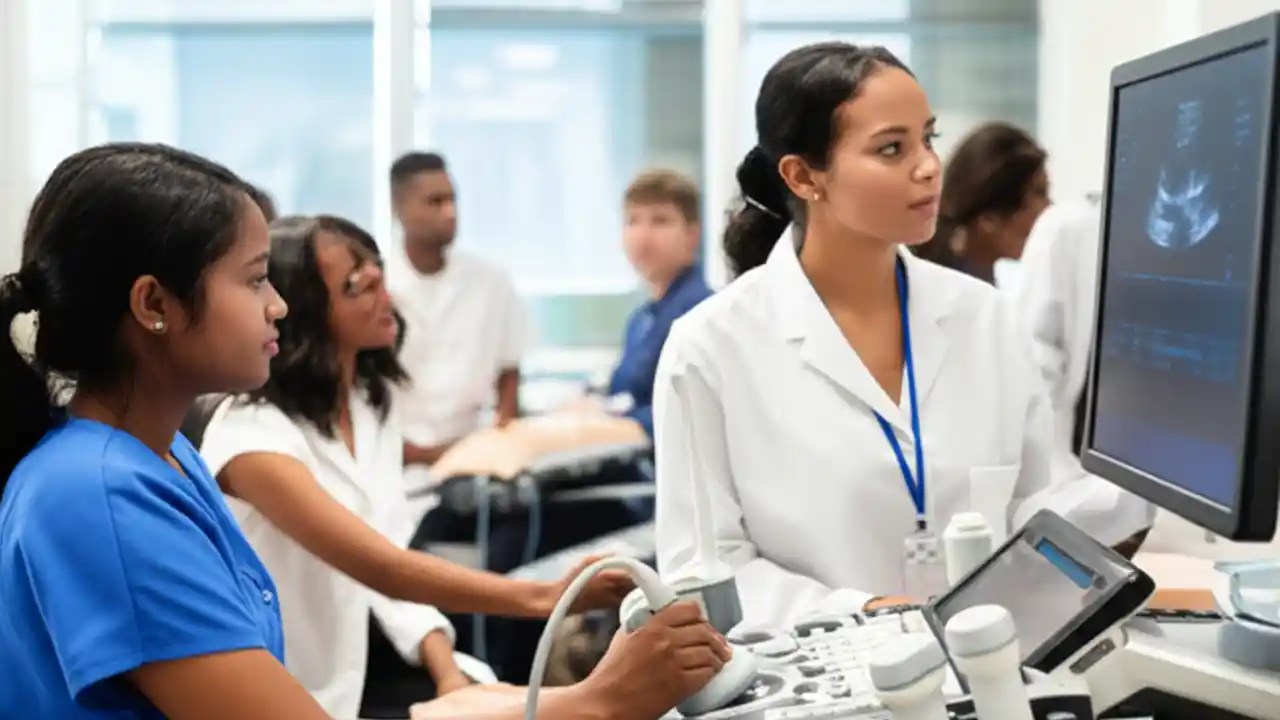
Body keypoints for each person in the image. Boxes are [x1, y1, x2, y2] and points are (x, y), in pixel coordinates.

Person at [652, 43, 1148, 630]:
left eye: (928, 139)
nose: (929, 166)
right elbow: (705, 571)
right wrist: (867, 615)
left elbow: (1039, 504)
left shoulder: (984, 317)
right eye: (893, 149)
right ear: (804, 175)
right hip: (816, 691)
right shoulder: (710, 348)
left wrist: (1151, 479)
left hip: (988, 671)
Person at [197, 215, 632, 717]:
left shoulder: (369, 406)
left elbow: (392, 555)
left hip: (379, 662)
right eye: (360, 285)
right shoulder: (251, 440)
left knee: (509, 695)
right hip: (303, 693)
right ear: (307, 311)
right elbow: (383, 567)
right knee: (584, 705)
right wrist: (549, 597)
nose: (387, 295)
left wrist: (447, 673)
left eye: (381, 274)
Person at [0, 142, 335, 717]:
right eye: (254, 280)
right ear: (154, 303)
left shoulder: (163, 454)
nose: (277, 306)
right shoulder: (97, 492)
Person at [387, 152, 534, 467]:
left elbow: (510, 367)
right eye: (435, 202)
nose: (450, 212)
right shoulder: (379, 286)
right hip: (396, 455)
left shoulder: (491, 280)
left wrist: (501, 434)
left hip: (477, 453)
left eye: (453, 199)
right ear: (398, 207)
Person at [594, 169, 713, 438]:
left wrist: (613, 425)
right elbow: (620, 392)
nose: (643, 236)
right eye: (633, 221)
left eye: (660, 221)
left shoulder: (701, 313)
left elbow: (688, 410)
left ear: (692, 235)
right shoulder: (641, 320)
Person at [913, 121, 1050, 284]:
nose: (1049, 208)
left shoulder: (977, 280)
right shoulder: (941, 289)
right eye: (1039, 193)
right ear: (989, 218)